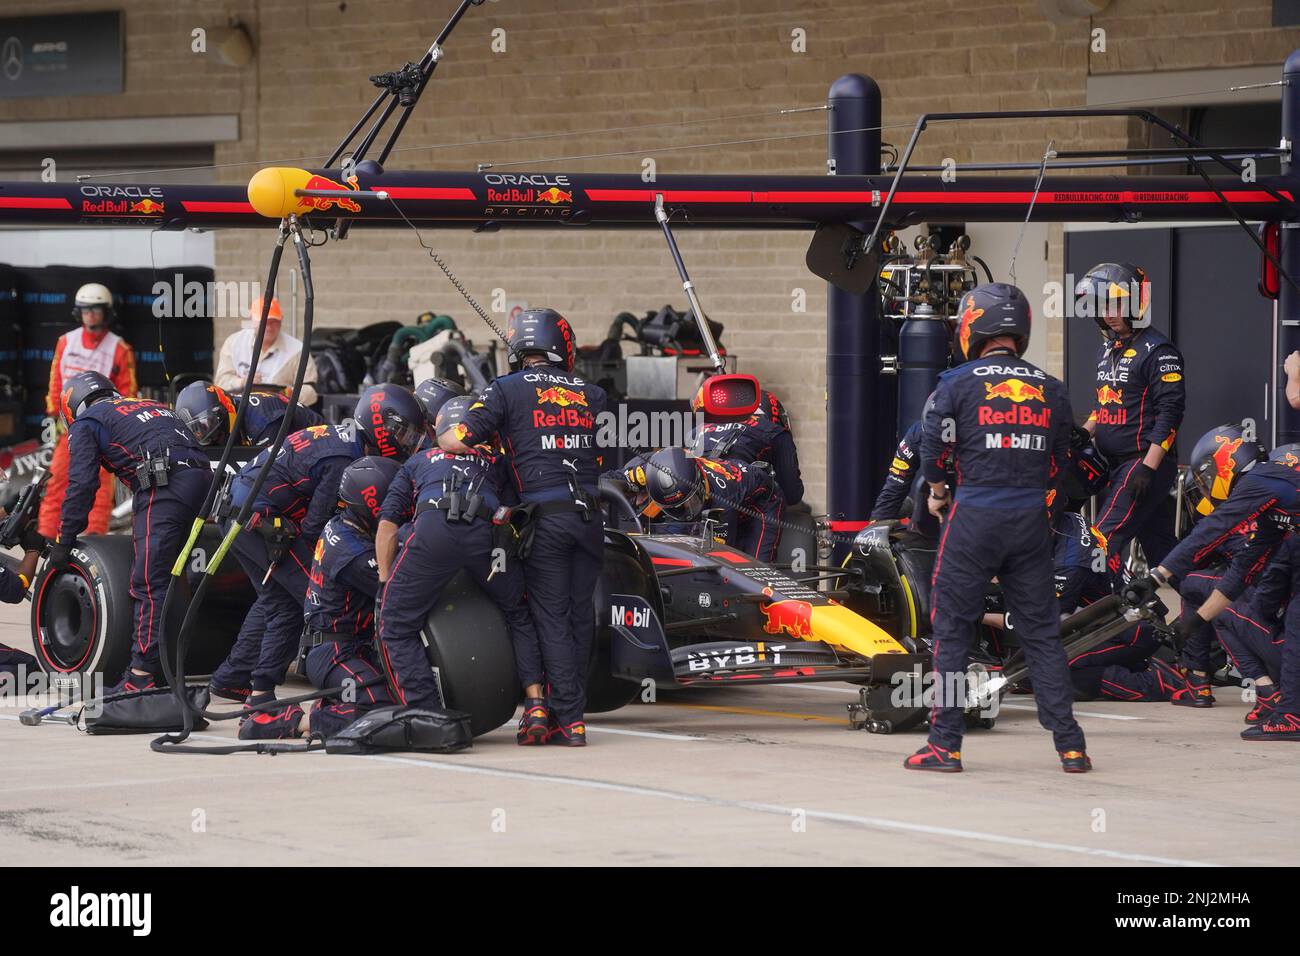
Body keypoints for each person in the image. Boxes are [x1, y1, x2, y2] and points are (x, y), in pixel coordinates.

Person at [911, 281, 1089, 774]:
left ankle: (944, 745)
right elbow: (1060, 465)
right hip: (1031, 521)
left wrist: (939, 491)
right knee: (1042, 634)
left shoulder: (956, 383)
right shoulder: (1051, 389)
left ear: (973, 327)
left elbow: (933, 453)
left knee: (950, 628)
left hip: (973, 518)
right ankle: (1071, 747)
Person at [438, 308, 605, 746]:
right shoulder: (593, 393)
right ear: (562, 344)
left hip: (544, 521)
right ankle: (570, 710)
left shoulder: (504, 389)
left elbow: (456, 439)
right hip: (588, 518)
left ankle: (569, 719)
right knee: (578, 615)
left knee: (549, 617)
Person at [208, 385, 424, 705]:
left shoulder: (348, 441)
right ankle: (266, 690)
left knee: (276, 600)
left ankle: (234, 679)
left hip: (239, 514)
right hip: (258, 521)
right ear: (383, 428)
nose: (407, 442)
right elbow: (315, 528)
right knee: (305, 599)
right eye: (403, 434)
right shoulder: (344, 457)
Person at [376, 396, 546, 745]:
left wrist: (384, 581)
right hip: (486, 540)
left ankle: (427, 715)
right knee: (518, 614)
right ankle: (536, 705)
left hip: (434, 535)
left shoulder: (418, 461)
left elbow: (388, 526)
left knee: (394, 624)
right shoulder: (497, 462)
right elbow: (521, 508)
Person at [1127, 428, 1300, 740]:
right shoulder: (1276, 502)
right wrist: (1194, 622)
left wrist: (1156, 577)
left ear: (1224, 463)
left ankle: (1291, 715)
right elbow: (1243, 572)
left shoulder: (1260, 481)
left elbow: (1211, 533)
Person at [48, 372, 210, 693]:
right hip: (206, 479)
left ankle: (141, 675)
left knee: (148, 582)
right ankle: (175, 663)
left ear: (73, 407)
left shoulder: (88, 422)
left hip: (165, 485)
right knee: (177, 577)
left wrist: (64, 541)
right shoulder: (148, 404)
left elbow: (82, 485)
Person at [240, 457, 398, 740]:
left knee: (402, 698)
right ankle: (295, 721)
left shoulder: (347, 525)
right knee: (379, 709)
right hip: (335, 653)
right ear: (370, 502)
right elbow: (401, 590)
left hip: (353, 647)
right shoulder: (355, 554)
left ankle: (332, 704)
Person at [1075, 262, 1185, 585]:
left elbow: (1171, 413)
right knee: (1165, 553)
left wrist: (1148, 468)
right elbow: (1104, 403)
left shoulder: (1158, 350)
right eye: (1103, 305)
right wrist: (1084, 431)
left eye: (1116, 304)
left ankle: (1108, 620)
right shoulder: (1107, 349)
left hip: (1141, 465)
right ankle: (1206, 621)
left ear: (1135, 303)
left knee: (1100, 542)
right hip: (1114, 466)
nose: (1109, 313)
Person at [37, 282, 137, 541]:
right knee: (57, 483)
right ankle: (45, 538)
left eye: (95, 309)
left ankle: (93, 540)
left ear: (106, 312)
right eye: (85, 310)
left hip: (102, 431)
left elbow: (128, 393)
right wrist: (54, 414)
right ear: (78, 312)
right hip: (67, 427)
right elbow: (55, 381)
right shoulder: (65, 342)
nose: (90, 314)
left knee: (100, 489)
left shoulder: (120, 349)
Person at [640, 446, 785, 561]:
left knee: (756, 567)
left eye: (690, 501)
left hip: (763, 502)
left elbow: (720, 558)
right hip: (724, 500)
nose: (684, 509)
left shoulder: (723, 499)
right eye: (675, 508)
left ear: (701, 484)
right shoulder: (645, 469)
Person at [690, 377, 803, 505]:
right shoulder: (776, 433)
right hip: (733, 506)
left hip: (689, 501)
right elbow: (792, 494)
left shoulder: (695, 432)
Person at [214, 296, 319, 408]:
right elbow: (220, 383)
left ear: (281, 320)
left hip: (280, 412)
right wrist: (242, 382)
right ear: (252, 320)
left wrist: (287, 395)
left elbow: (311, 389)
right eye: (264, 321)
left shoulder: (297, 349)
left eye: (274, 322)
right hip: (239, 409)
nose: (269, 327)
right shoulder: (234, 343)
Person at [175, 380, 324, 451]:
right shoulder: (234, 408)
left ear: (224, 410)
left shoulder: (265, 421)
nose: (202, 433)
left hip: (319, 443)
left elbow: (270, 471)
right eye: (196, 430)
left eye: (206, 424)